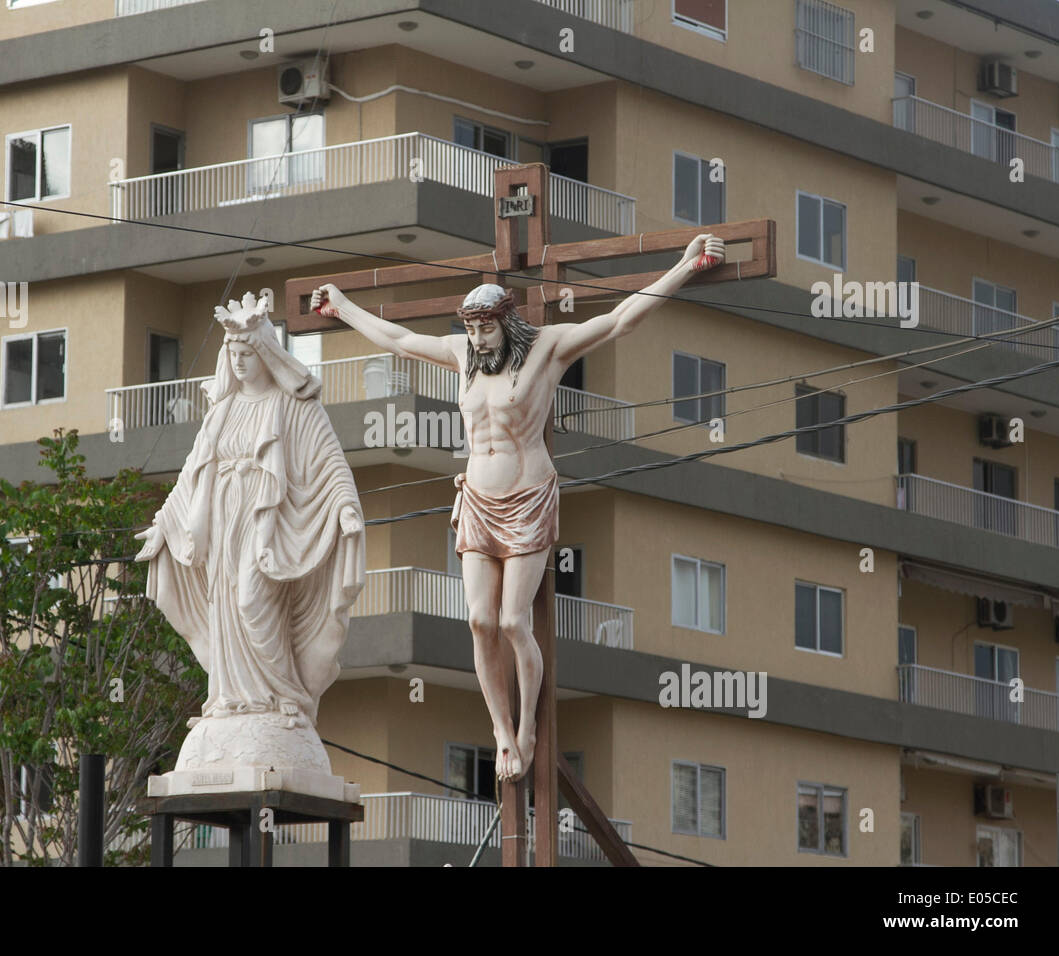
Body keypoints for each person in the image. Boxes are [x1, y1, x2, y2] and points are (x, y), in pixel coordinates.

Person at [311, 232, 724, 780]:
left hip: (528, 497)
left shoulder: (548, 348)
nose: (478, 338)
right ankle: (501, 733)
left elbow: (622, 319)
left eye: (486, 327)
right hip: (478, 500)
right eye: (472, 328)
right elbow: (400, 340)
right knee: (479, 620)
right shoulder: (462, 355)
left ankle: (527, 726)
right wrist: (341, 306)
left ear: (507, 320)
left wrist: (684, 266)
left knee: (512, 621)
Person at [134, 291, 365, 731]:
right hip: (223, 516)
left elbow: (329, 459)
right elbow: (194, 472)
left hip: (266, 522)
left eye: (247, 352)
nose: (239, 362)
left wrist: (345, 507)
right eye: (232, 353)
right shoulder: (222, 410)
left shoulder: (293, 405)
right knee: (225, 604)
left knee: (252, 601)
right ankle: (230, 697)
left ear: (264, 353)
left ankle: (285, 694)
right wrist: (164, 523)